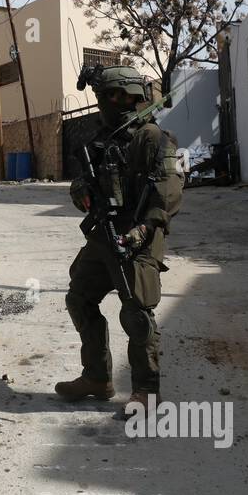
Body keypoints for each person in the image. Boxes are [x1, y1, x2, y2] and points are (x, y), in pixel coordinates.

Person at [56, 65, 181, 409]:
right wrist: (81, 191)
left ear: (128, 97)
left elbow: (169, 190)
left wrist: (145, 227)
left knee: (136, 312)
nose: (103, 104)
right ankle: (97, 376)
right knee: (79, 298)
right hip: (105, 234)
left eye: (108, 96)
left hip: (140, 234)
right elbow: (83, 182)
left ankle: (147, 391)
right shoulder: (101, 139)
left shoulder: (153, 137)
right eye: (101, 97)